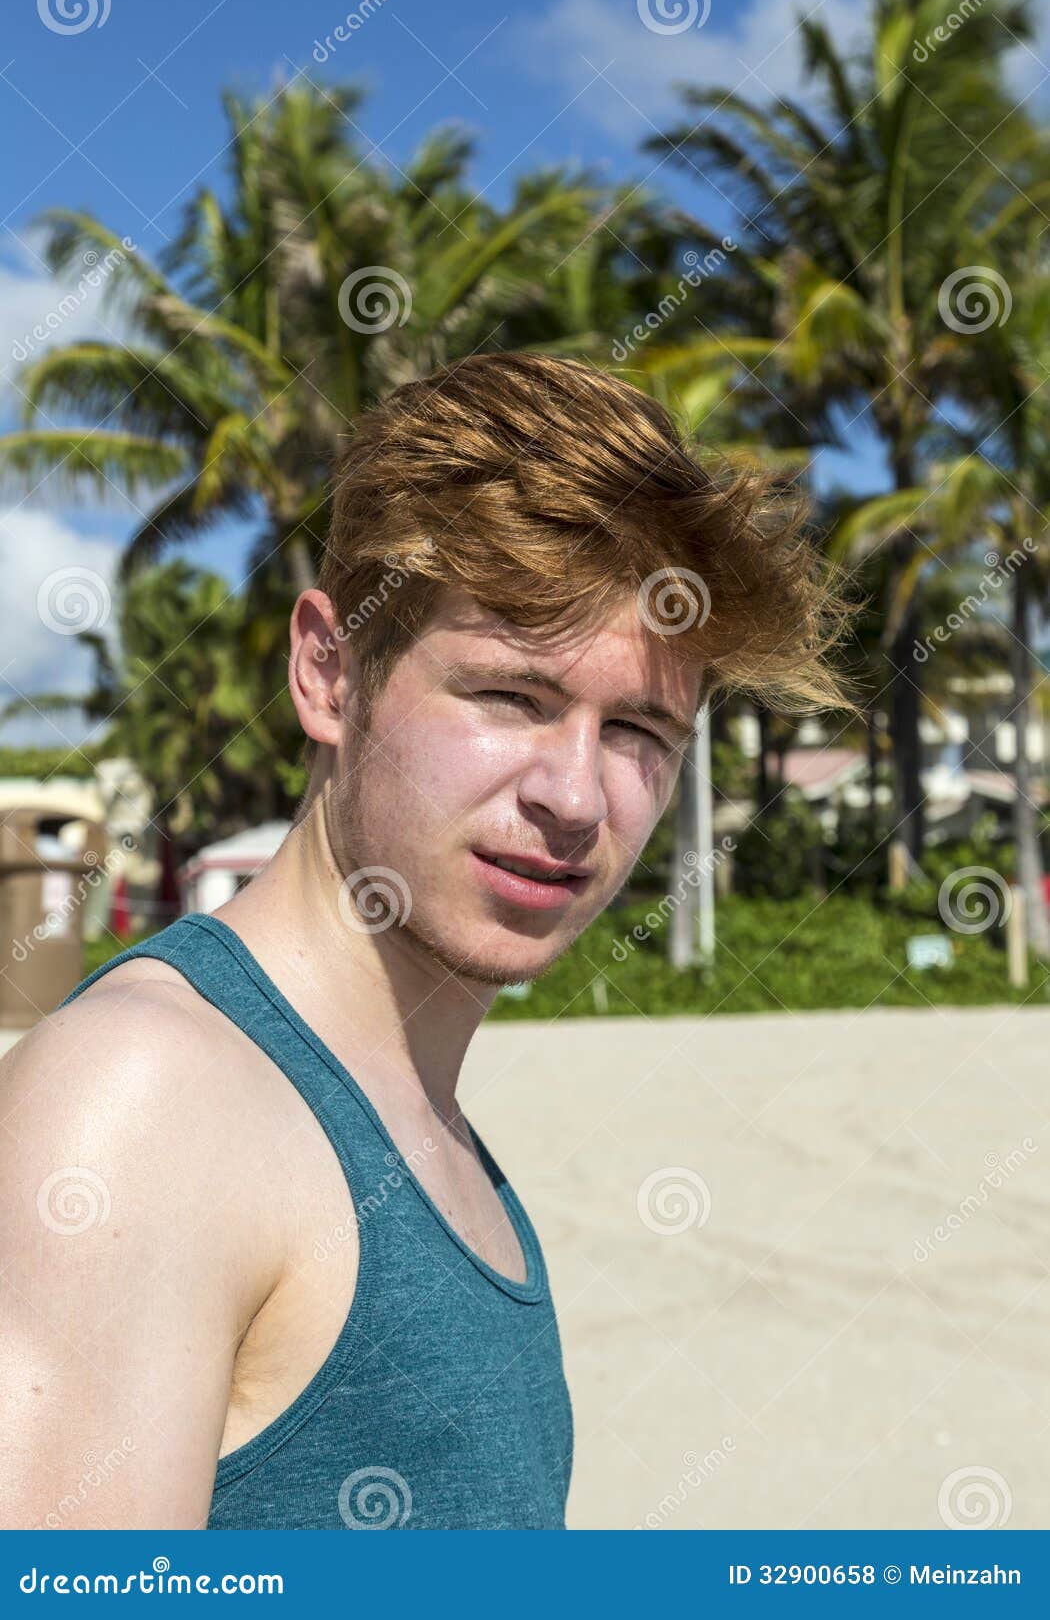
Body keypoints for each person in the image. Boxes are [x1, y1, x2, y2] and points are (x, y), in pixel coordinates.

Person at [0, 353, 845, 1529]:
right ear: (330, 671)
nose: (579, 797)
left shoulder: (432, 1129)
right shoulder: (145, 1101)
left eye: (640, 730)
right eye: (511, 697)